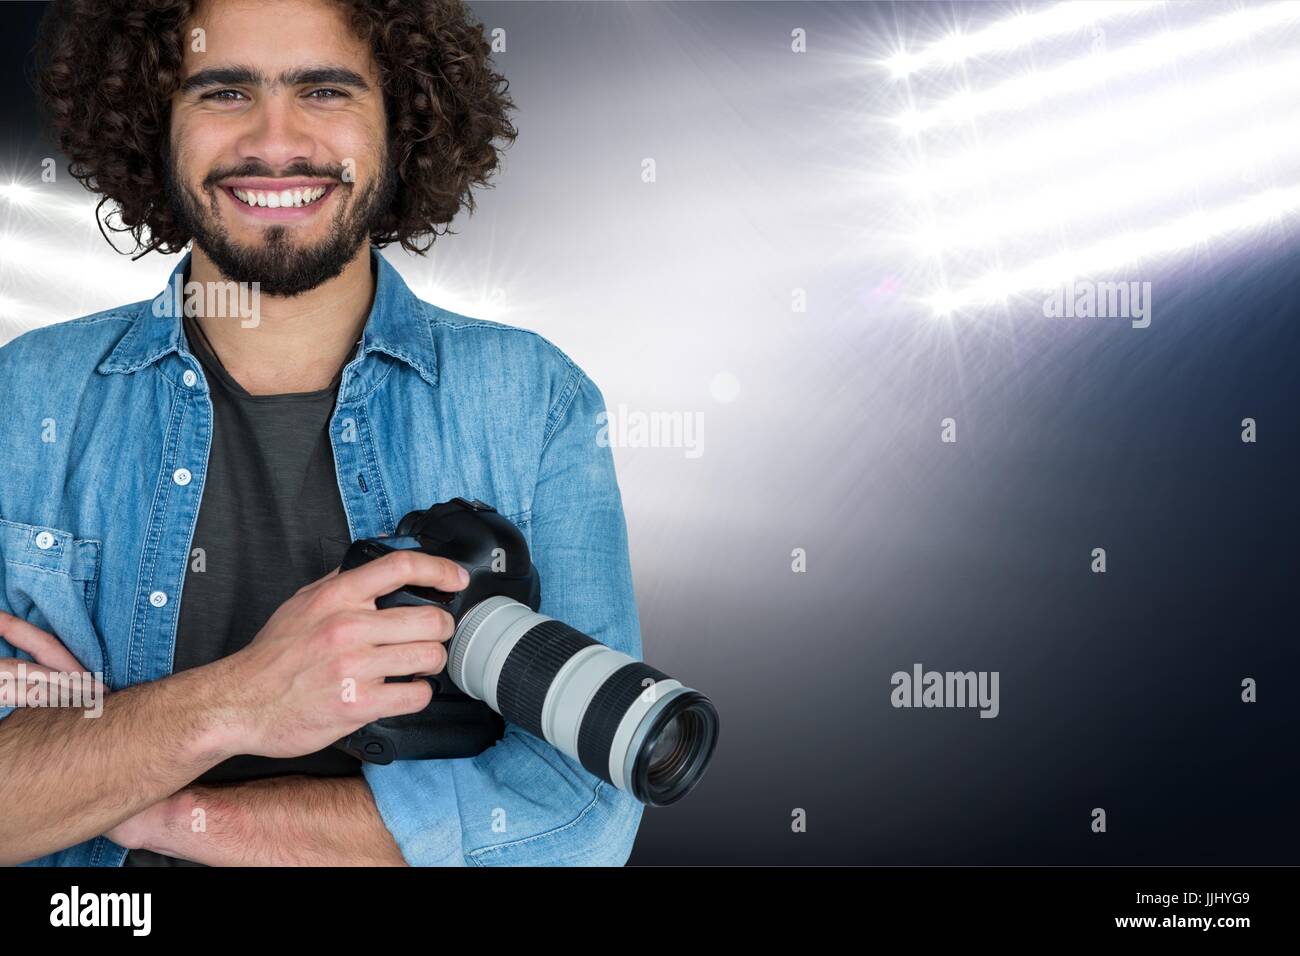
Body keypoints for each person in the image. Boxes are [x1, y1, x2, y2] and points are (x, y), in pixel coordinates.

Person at [0, 0, 644, 866]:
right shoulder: (23, 397)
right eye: (224, 93)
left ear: (403, 122)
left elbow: (583, 813)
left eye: (325, 90)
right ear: (155, 125)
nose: (275, 141)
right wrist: (240, 700)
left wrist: (146, 799)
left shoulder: (535, 401)